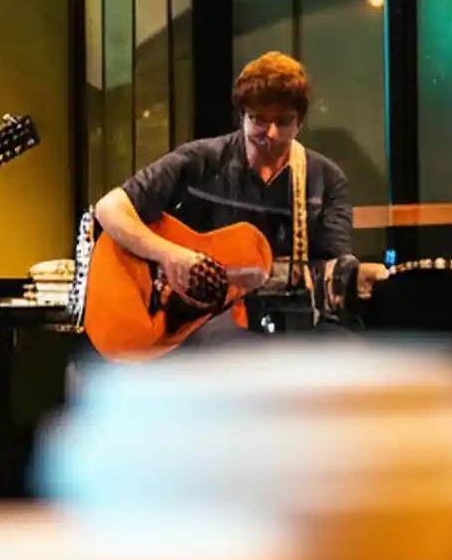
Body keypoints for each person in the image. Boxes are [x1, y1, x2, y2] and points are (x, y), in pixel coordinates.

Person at [91, 51, 388, 345]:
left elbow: (333, 268)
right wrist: (170, 256)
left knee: (349, 348)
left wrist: (356, 278)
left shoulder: (325, 179)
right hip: (202, 322)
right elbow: (110, 208)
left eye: (283, 122)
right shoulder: (202, 160)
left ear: (300, 123)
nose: (270, 134)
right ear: (242, 117)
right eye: (258, 120)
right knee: (237, 348)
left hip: (282, 320)